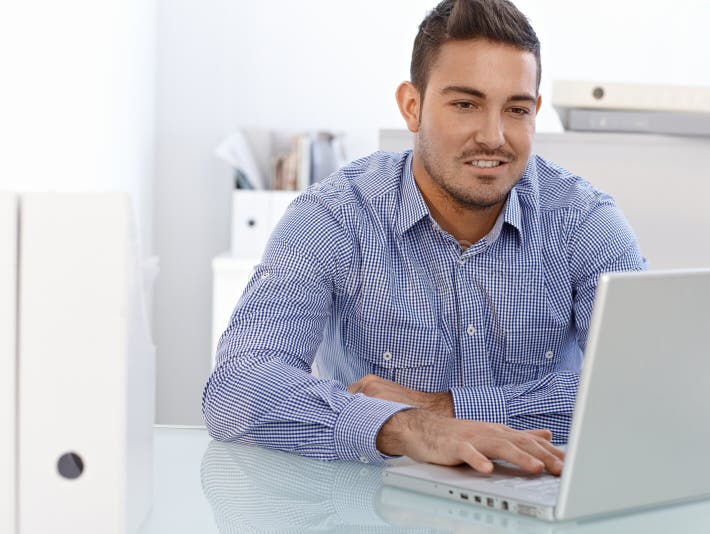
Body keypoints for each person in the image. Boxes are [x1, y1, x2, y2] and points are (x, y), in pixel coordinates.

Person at [202, 0, 646, 476]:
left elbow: (646, 385)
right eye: (465, 104)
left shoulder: (584, 220)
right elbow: (237, 385)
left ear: (535, 112)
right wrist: (406, 429)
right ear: (411, 107)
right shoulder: (334, 216)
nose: (494, 136)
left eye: (515, 109)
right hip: (371, 503)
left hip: (540, 498)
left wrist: (444, 411)